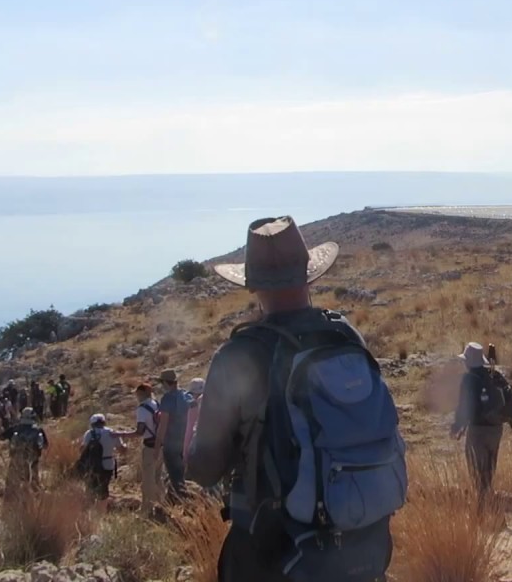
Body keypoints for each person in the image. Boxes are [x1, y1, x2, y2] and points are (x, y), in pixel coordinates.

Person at [189, 216, 407, 582]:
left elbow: (205, 469)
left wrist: (190, 441)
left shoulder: (240, 355)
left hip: (275, 554)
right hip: (364, 543)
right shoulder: (344, 335)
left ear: (253, 286)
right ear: (309, 276)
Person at [450, 342, 512, 505]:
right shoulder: (495, 375)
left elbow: (464, 406)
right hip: (496, 430)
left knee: (477, 474)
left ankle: (483, 510)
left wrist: (456, 427)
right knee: (488, 471)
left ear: (468, 361)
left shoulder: (469, 379)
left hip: (478, 431)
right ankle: (488, 504)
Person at [155, 369, 191, 504]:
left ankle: (183, 504)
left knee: (175, 478)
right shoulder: (186, 395)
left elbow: (163, 425)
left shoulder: (167, 398)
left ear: (165, 383)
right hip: (185, 441)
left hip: (171, 443)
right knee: (182, 475)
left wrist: (157, 445)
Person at [126, 384, 161, 516]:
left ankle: (147, 509)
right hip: (160, 444)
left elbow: (140, 431)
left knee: (147, 480)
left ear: (141, 393)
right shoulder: (156, 403)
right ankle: (161, 504)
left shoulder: (142, 408)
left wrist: (122, 434)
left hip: (150, 446)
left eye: (137, 393)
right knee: (158, 477)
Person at [78, 414, 125, 513]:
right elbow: (122, 450)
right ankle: (101, 512)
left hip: (92, 465)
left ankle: (90, 512)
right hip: (108, 464)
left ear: (92, 424)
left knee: (90, 488)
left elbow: (82, 449)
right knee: (104, 489)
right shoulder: (112, 433)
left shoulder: (89, 433)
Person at [0, 408, 49, 498]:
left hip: (16, 459)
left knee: (11, 482)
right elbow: (45, 445)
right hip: (33, 460)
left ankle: (10, 499)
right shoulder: (38, 430)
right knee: (34, 481)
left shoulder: (15, 428)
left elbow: (1, 437)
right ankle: (35, 498)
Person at [183, 377, 206, 460]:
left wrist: (185, 452)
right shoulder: (215, 401)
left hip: (198, 446)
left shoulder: (194, 406)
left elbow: (189, 429)